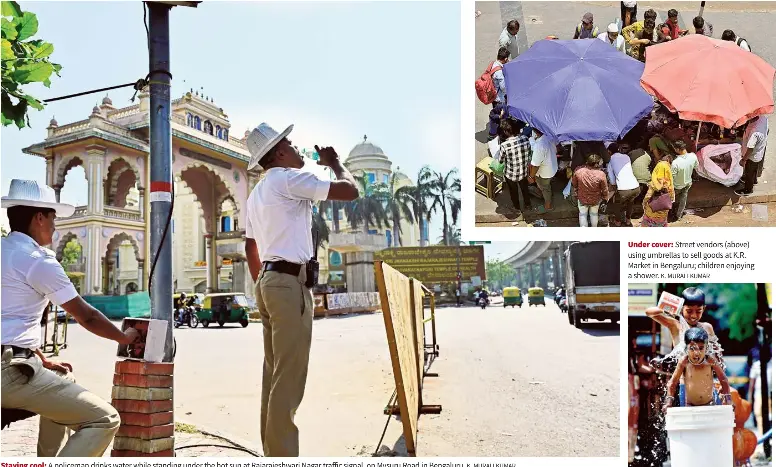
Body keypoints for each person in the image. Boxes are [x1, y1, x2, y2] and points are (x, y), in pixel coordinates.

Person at [1, 179, 140, 457]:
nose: (55, 226)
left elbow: (10, 318)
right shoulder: (37, 259)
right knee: (104, 419)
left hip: (15, 360)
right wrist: (123, 338)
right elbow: (87, 316)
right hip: (8, 375)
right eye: (53, 217)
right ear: (39, 218)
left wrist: (41, 358)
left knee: (64, 377)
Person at [243, 123, 358, 456]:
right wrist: (334, 162)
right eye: (291, 144)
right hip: (287, 283)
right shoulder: (288, 179)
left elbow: (251, 246)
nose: (296, 148)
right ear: (280, 152)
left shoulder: (257, 193)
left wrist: (263, 282)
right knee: (289, 377)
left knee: (274, 373)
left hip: (269, 281)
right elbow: (350, 191)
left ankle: (273, 452)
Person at [645, 287, 720, 367]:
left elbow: (717, 353)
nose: (694, 315)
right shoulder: (676, 326)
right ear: (681, 308)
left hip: (704, 372)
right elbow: (649, 312)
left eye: (698, 311)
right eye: (689, 311)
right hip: (683, 372)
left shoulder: (707, 327)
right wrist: (667, 309)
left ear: (703, 309)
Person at [663, 327, 731, 412]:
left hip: (710, 403)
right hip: (690, 406)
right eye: (692, 348)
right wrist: (669, 401)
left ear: (706, 348)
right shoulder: (684, 362)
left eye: (701, 348)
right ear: (686, 348)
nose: (697, 353)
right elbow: (673, 382)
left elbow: (723, 379)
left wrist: (728, 399)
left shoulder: (710, 361)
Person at [498, 119, 533, 215]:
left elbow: (500, 161)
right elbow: (529, 153)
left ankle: (517, 208)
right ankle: (528, 205)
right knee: (525, 189)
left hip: (511, 175)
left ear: (506, 131)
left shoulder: (504, 145)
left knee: (513, 192)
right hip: (524, 172)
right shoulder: (525, 138)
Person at [607, 143, 641, 226]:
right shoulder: (626, 157)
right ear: (619, 149)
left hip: (623, 190)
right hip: (636, 187)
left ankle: (618, 221)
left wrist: (612, 187)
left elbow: (612, 180)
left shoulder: (611, 159)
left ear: (609, 151)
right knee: (630, 203)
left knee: (616, 204)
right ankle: (628, 220)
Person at [571, 154, 608, 227]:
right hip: (595, 199)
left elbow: (574, 184)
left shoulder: (579, 171)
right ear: (596, 164)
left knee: (582, 215)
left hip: (582, 198)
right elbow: (604, 189)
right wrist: (605, 198)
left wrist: (577, 191)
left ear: (587, 162)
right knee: (594, 215)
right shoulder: (601, 174)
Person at [735, 115, 768, 196]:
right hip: (759, 151)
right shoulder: (763, 118)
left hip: (752, 156)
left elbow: (750, 149)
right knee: (754, 168)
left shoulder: (754, 133)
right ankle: (754, 180)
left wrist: (743, 160)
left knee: (749, 171)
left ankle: (748, 189)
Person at [527, 127, 558, 213]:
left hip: (545, 172)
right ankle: (543, 195)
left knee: (545, 188)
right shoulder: (549, 137)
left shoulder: (539, 146)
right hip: (552, 167)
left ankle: (547, 206)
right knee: (546, 186)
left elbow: (535, 165)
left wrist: (531, 176)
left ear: (535, 131)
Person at [641, 155, 675, 227]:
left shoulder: (654, 184)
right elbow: (672, 198)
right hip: (663, 215)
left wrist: (644, 203)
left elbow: (648, 196)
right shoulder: (669, 183)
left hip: (651, 214)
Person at [669, 139, 698, 221]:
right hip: (688, 182)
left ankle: (671, 213)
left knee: (671, 198)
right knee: (683, 198)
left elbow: (671, 177)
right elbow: (696, 166)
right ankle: (679, 215)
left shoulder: (675, 163)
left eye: (675, 149)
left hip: (677, 186)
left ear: (678, 149)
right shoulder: (693, 156)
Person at [487, 47, 511, 141]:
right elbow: (504, 88)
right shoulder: (499, 71)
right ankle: (498, 136)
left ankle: (493, 133)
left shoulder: (494, 64)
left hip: (493, 96)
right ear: (505, 58)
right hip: (500, 99)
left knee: (495, 115)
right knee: (502, 117)